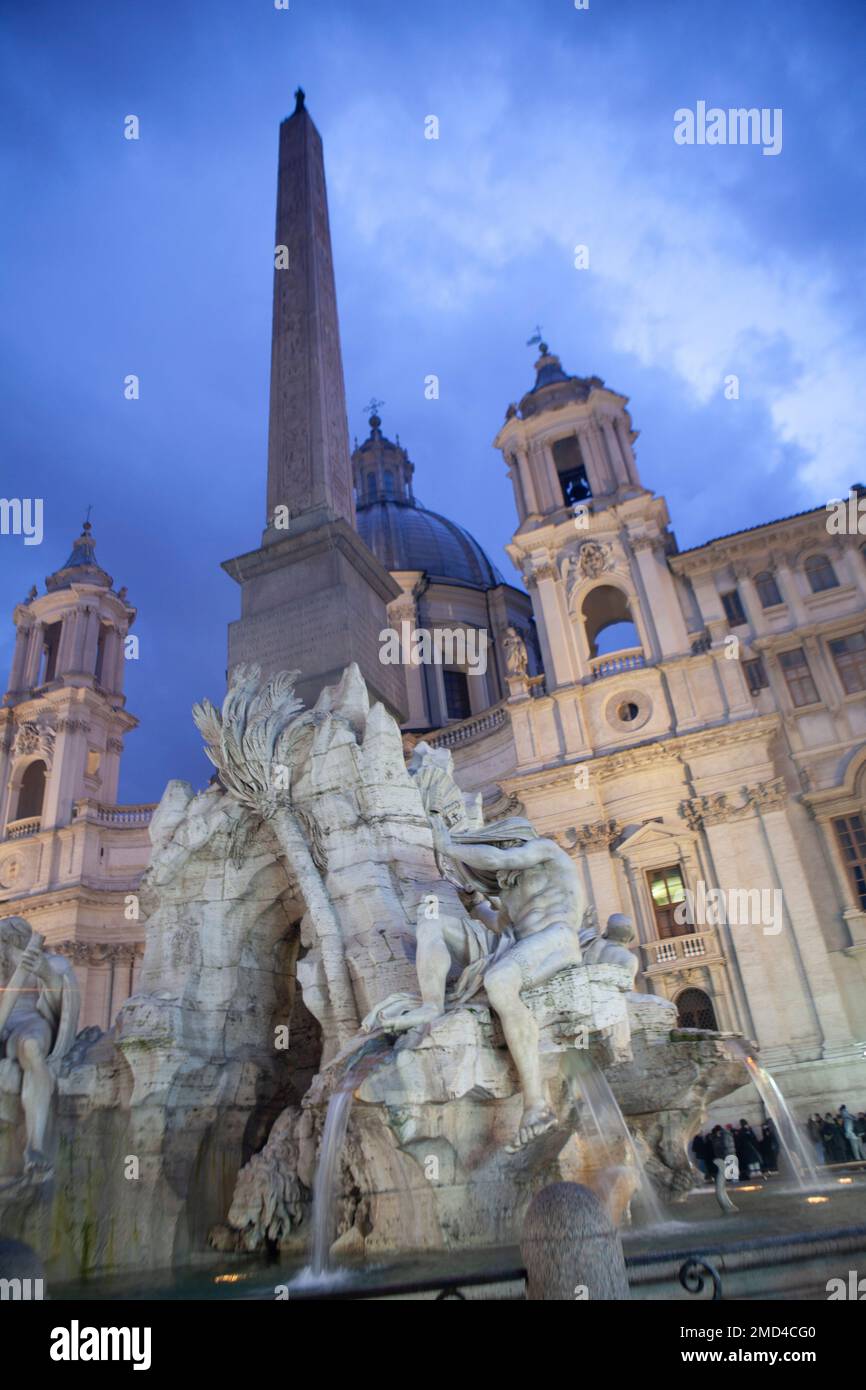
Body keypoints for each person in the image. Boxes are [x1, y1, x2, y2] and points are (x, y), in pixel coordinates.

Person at [709, 1124, 738, 1213]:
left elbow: (723, 1146)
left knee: (723, 1174)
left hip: (725, 1155)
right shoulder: (727, 1134)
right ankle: (734, 1180)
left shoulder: (722, 1136)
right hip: (729, 1154)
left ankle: (733, 1180)